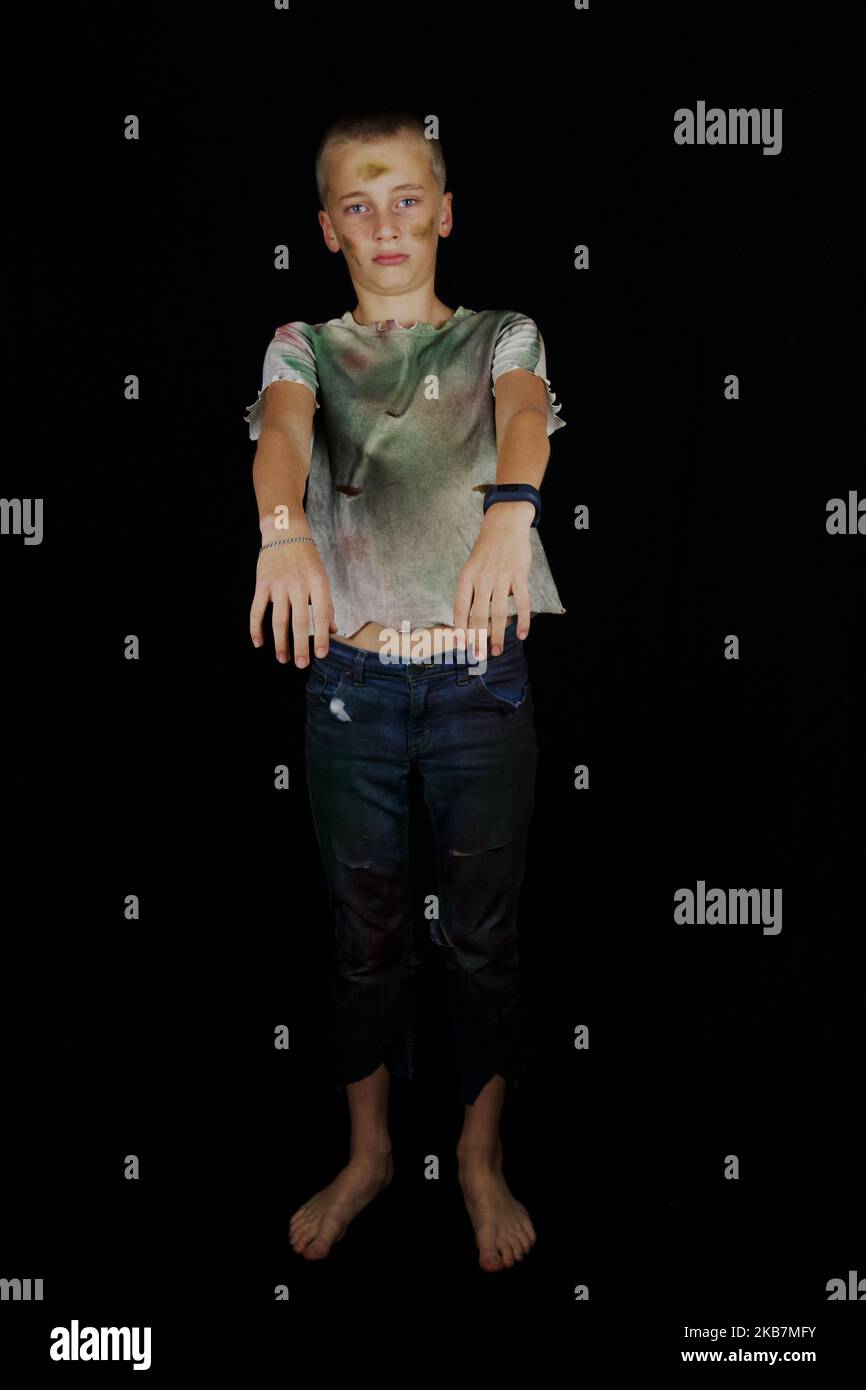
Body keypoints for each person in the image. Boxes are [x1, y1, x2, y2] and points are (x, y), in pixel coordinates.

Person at [245, 110, 567, 1272]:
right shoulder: (303, 344)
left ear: (443, 210)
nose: (386, 222)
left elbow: (526, 418)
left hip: (480, 682)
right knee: (362, 934)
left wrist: (507, 508)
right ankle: (371, 1151)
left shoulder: (500, 335)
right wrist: (282, 530)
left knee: (480, 938)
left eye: (405, 198)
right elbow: (281, 436)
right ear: (329, 227)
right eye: (357, 204)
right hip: (352, 690)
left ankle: (478, 1159)